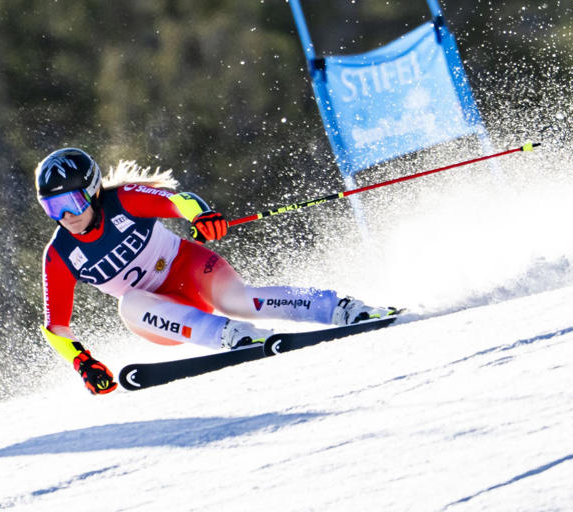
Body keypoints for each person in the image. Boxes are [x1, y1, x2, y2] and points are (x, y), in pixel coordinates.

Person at [36, 147, 397, 394]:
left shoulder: (124, 200)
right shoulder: (60, 255)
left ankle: (342, 307)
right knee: (129, 303)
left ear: (93, 191)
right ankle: (234, 336)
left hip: (190, 270)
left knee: (240, 300)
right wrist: (83, 363)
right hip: (160, 314)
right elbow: (56, 327)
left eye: (72, 201)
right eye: (53, 208)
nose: (66, 216)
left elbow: (178, 201)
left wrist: (201, 215)